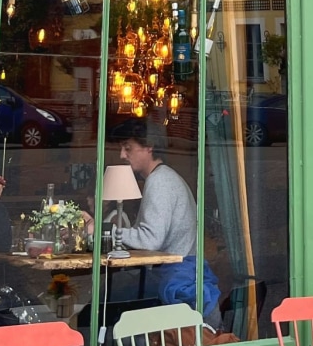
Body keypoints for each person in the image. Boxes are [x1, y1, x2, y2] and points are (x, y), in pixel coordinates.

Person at [94, 119, 221, 327]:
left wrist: (104, 231)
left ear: (149, 147)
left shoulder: (159, 182)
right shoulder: (163, 177)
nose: (122, 155)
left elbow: (150, 240)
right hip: (179, 274)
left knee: (104, 299)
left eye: (128, 148)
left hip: (174, 279)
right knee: (113, 292)